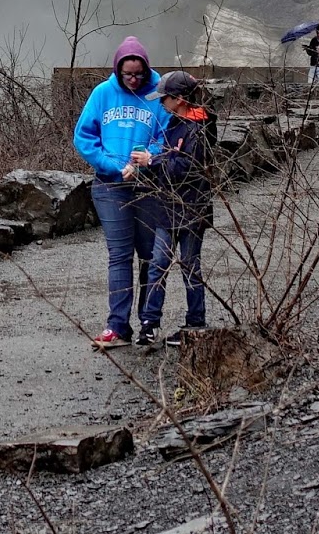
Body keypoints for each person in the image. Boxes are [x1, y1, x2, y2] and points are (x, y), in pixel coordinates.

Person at [72, 36, 169, 349]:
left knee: (150, 256)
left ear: (147, 69)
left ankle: (148, 323)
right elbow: (84, 137)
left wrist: (146, 162)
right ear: (118, 70)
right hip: (111, 185)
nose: (134, 80)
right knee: (119, 255)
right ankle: (117, 326)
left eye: (139, 74)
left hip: (149, 185)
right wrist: (113, 165)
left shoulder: (157, 92)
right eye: (128, 74)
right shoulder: (103, 93)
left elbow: (167, 137)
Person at [132, 70, 214, 347]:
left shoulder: (199, 129)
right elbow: (172, 160)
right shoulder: (175, 124)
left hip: (192, 208)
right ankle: (149, 323)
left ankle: (196, 324)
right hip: (169, 208)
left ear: (179, 99)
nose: (161, 102)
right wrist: (151, 162)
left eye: (164, 97)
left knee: (190, 266)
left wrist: (152, 161)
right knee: (158, 264)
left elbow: (188, 168)